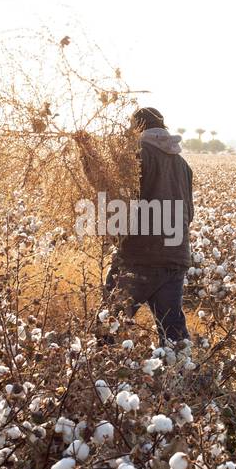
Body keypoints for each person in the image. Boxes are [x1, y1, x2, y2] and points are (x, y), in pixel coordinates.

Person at [95, 106, 194, 344]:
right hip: (175, 257)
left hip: (139, 257)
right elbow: (188, 214)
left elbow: (113, 197)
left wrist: (87, 159)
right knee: (173, 332)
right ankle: (185, 377)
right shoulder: (182, 164)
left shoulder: (136, 156)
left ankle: (100, 375)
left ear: (137, 127)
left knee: (108, 323)